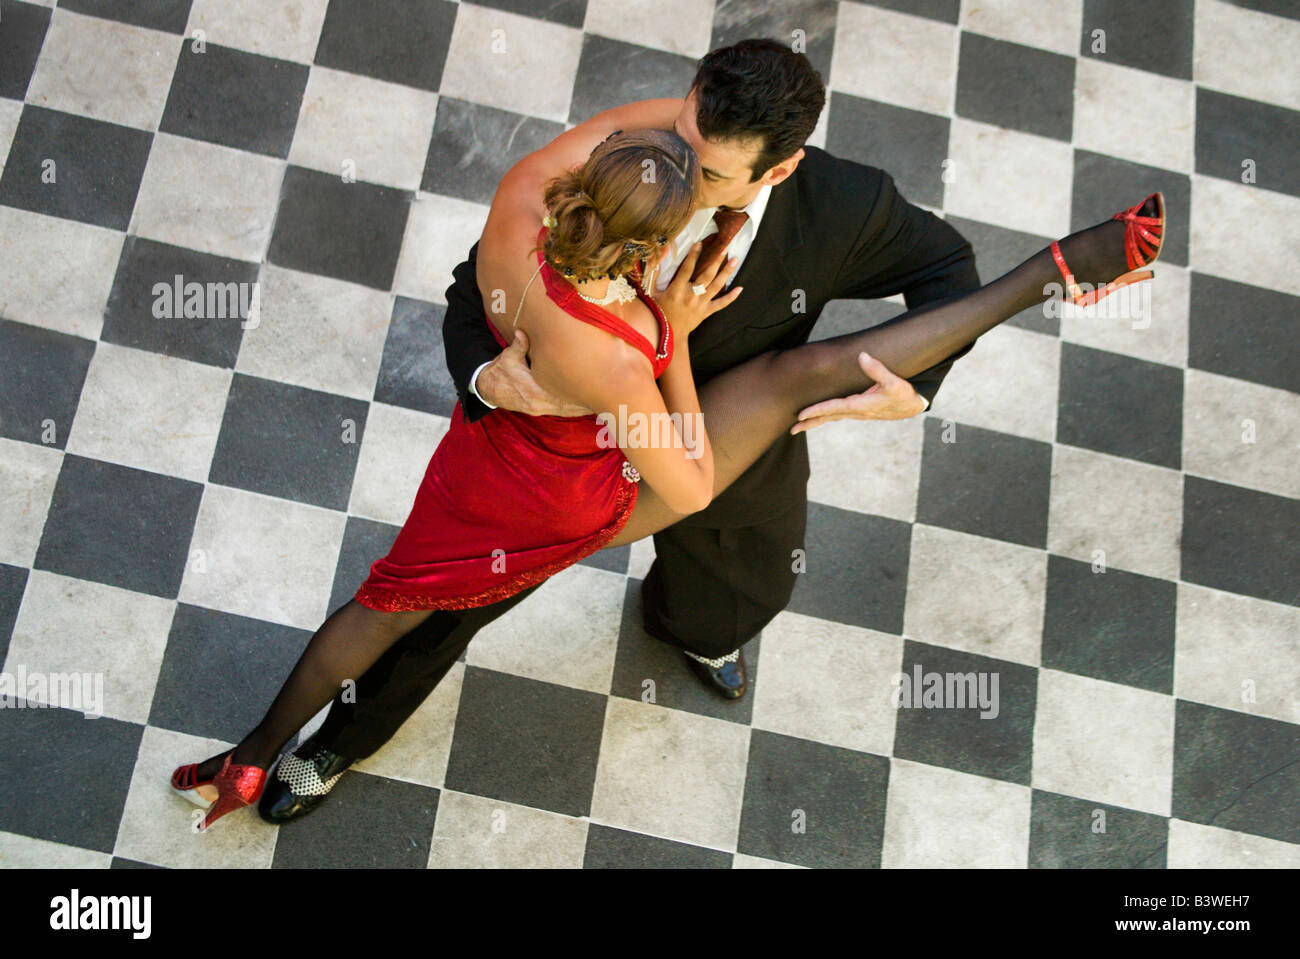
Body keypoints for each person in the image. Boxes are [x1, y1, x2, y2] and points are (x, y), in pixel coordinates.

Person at [171, 49, 1167, 831]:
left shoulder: (808, 199)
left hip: (664, 433)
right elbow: (670, 467)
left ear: (780, 167)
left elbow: (942, 262)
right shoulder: (619, 246)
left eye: (712, 167)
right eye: (681, 139)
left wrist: (913, 392)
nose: (684, 170)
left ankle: (692, 624)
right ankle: (331, 744)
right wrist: (519, 368)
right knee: (437, 618)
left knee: (749, 558)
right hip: (588, 471)